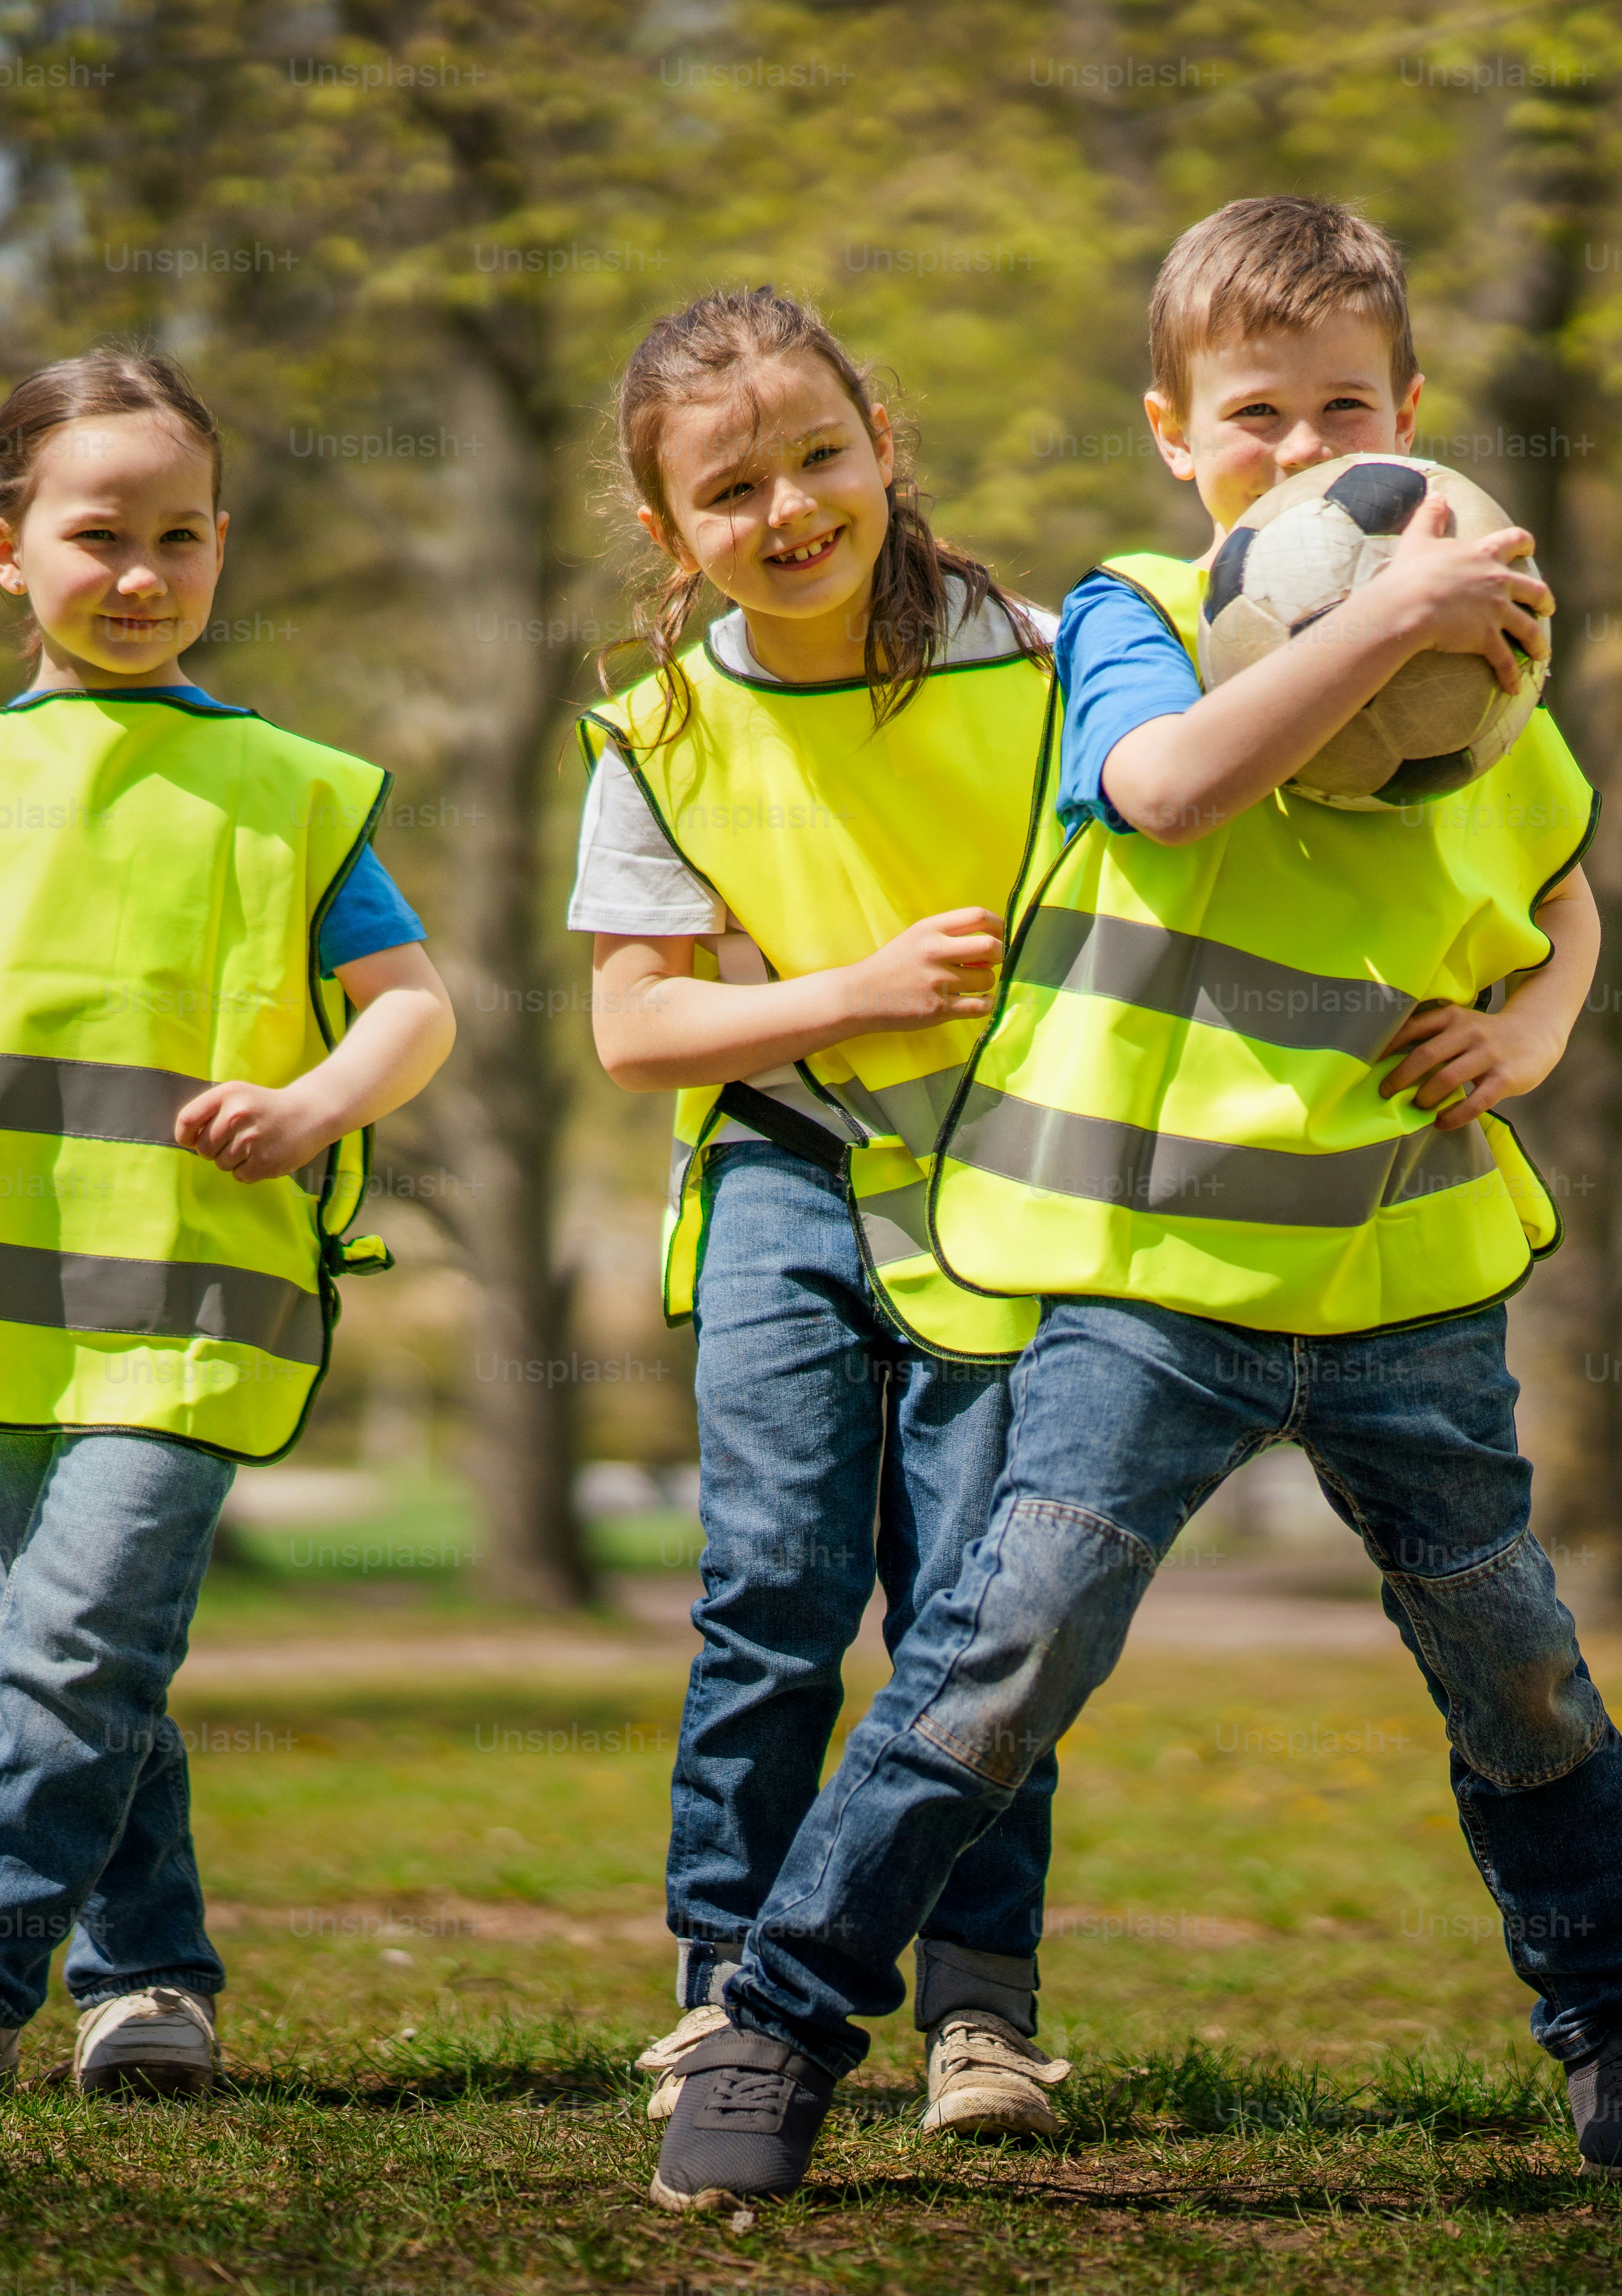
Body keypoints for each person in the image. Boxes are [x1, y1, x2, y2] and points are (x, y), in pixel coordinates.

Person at [644, 198, 1622, 2208]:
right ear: (1171, 430)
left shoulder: (1487, 626)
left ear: (1411, 415)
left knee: (1515, 1667)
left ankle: (1615, 2020)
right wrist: (1387, 623)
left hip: (1402, 1270)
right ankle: (784, 2018)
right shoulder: (1131, 610)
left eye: (1342, 410)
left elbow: (1561, 878)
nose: (1301, 456)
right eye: (1252, 415)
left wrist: (1543, 1030)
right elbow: (1161, 791)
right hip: (1151, 1283)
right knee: (1000, 1642)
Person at [0, 345, 454, 2103]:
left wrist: (315, 1107)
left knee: (79, 1640)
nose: (144, 575)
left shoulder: (295, 791)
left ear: (225, 548)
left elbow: (416, 1010)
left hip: (196, 1304)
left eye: (182, 537)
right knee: (78, 1655)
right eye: (100, 537)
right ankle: (151, 1982)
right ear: (4, 550)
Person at [575, 288, 1078, 2148]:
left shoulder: (1042, 654)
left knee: (978, 1614)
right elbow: (637, 1029)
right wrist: (846, 996)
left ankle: (978, 2012)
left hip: (1021, 1192)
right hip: (784, 1173)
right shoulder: (657, 733)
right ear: (666, 528)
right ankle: (723, 1984)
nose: (784, 508)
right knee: (770, 1597)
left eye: (814, 456)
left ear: (881, 439)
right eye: (728, 489)